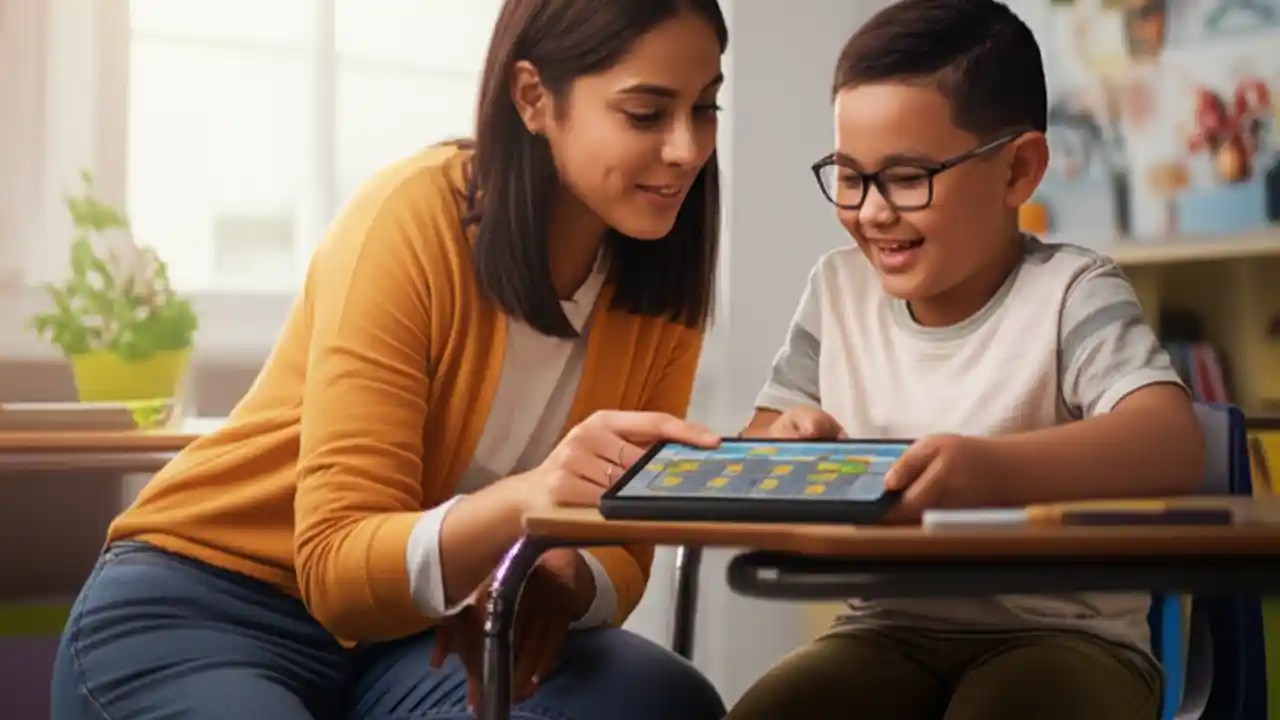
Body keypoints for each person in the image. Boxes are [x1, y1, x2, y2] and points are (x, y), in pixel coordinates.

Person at [50, 1, 731, 718]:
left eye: (707, 107)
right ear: (533, 97)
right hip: (206, 606)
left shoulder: (658, 266)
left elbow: (623, 553)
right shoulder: (412, 216)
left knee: (661, 702)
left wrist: (557, 576)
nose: (688, 148)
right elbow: (336, 567)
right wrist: (523, 505)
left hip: (409, 642)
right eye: (646, 114)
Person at [726, 1, 1205, 719]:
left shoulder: (1072, 293)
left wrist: (993, 469)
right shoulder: (837, 292)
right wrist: (792, 447)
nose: (873, 212)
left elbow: (1171, 442)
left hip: (1066, 640)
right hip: (882, 629)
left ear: (1018, 170)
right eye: (850, 177)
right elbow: (757, 448)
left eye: (909, 176)